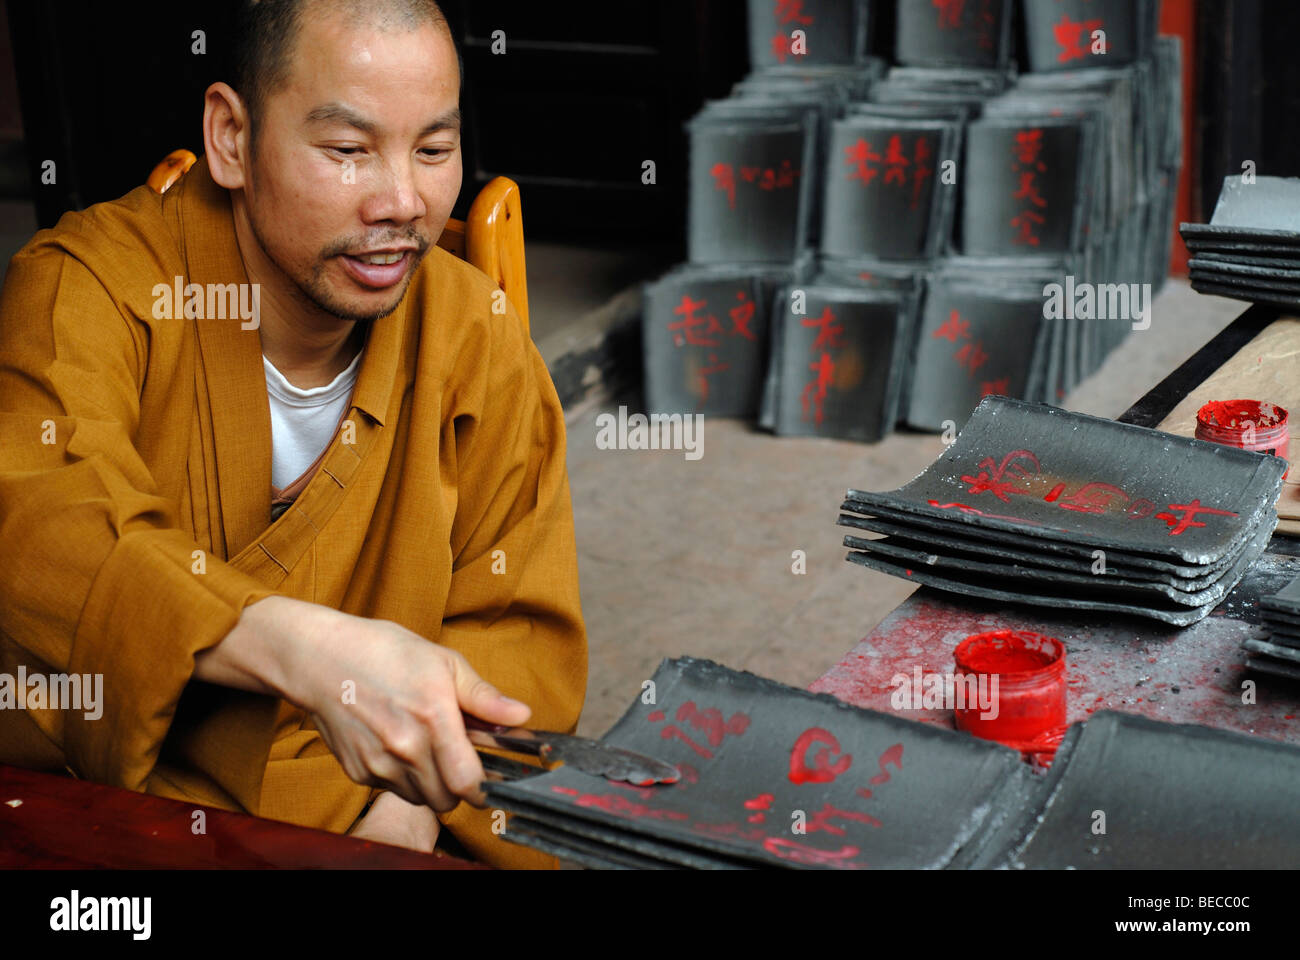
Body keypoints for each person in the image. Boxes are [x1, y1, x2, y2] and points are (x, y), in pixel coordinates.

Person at [0, 0, 587, 868]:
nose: (402, 203)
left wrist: (409, 807)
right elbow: (49, 530)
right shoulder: (91, 291)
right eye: (348, 151)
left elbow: (520, 649)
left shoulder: (473, 334)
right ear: (231, 137)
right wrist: (304, 650)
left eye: (433, 150)